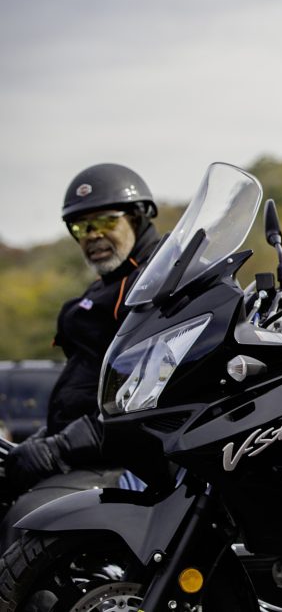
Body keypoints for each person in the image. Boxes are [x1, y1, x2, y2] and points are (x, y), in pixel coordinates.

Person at [1, 163, 160, 548]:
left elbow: (139, 400)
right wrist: (44, 440)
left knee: (28, 520)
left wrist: (57, 449)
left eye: (104, 221)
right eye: (81, 227)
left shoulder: (160, 281)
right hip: (81, 452)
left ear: (137, 217)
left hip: (122, 459)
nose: (93, 235)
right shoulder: (104, 287)